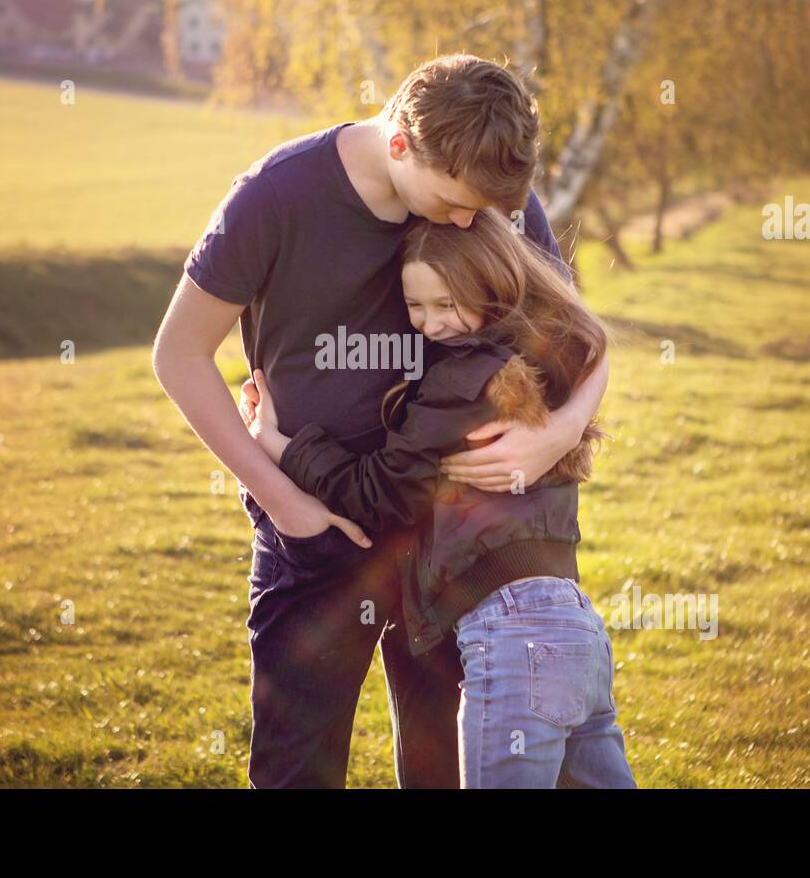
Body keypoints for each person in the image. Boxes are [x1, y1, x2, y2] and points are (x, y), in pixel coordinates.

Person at [152, 53, 610, 788]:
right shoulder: (276, 195)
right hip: (314, 533)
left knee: (446, 766)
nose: (470, 222)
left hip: (453, 539)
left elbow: (583, 340)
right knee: (296, 770)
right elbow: (177, 355)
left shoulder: (488, 193)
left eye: (483, 210)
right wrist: (287, 504)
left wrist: (557, 433)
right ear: (401, 144)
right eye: (455, 204)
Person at [248, 208, 637, 787]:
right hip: (575, 628)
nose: (430, 324)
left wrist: (278, 444)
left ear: (492, 288)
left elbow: (379, 493)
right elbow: (592, 338)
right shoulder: (544, 357)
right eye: (416, 306)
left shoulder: (463, 381)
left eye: (447, 304)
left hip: (512, 641)